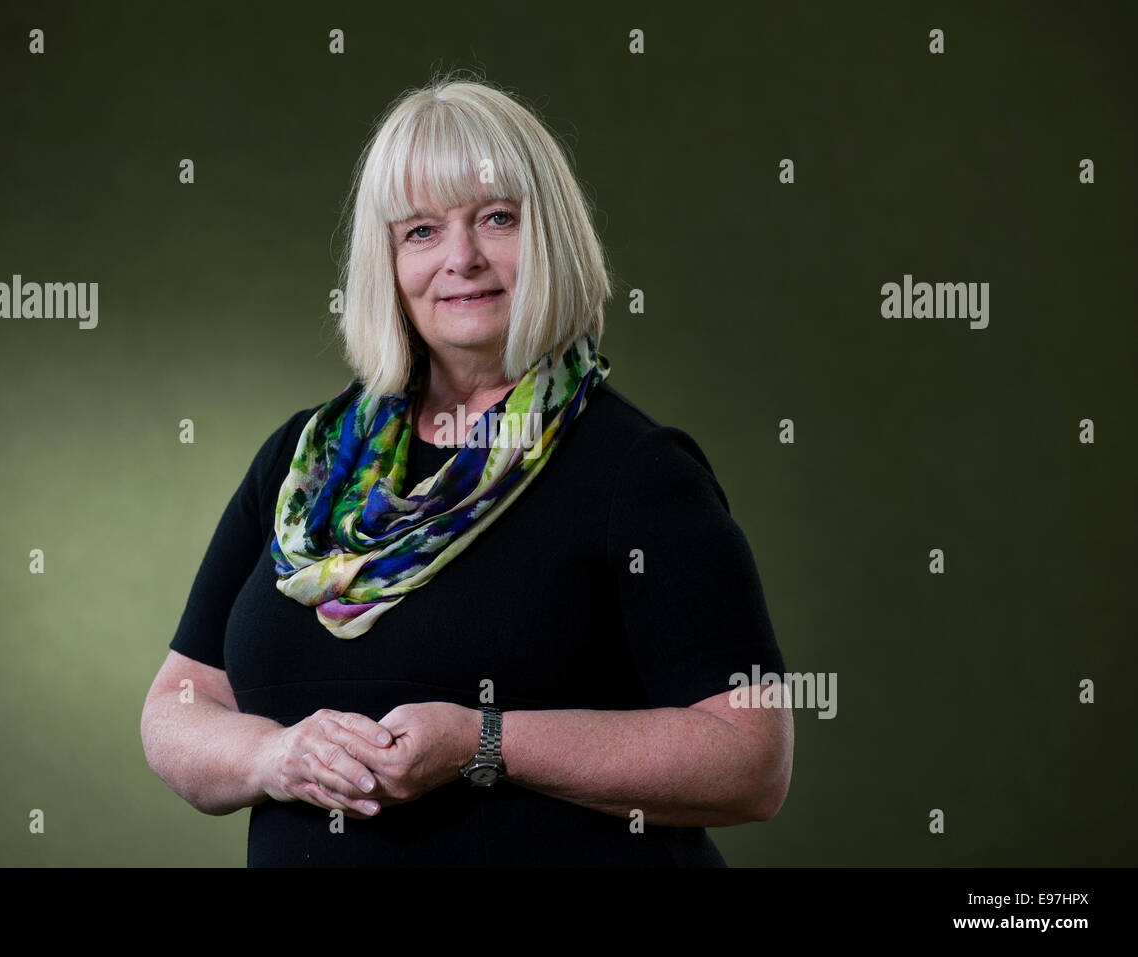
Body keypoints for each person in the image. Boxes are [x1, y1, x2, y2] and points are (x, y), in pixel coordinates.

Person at [140, 73, 793, 867]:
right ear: (385, 259)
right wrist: (275, 758)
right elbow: (178, 705)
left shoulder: (636, 469)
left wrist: (483, 740)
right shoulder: (304, 467)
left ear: (549, 236)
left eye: (496, 218)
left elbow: (751, 758)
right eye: (420, 230)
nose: (463, 259)